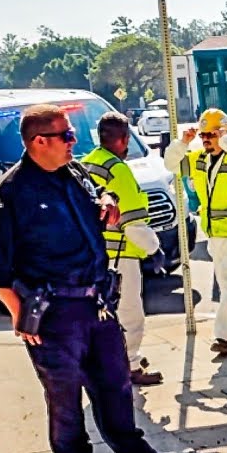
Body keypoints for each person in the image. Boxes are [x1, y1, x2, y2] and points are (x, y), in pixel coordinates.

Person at [0, 104, 177, 453]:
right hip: (52, 313)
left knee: (115, 382)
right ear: (39, 141)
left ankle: (131, 452)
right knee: (64, 395)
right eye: (66, 136)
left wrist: (105, 202)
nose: (74, 143)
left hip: (96, 301)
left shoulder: (73, 172)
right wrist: (19, 314)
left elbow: (97, 193)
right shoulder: (9, 194)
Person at [163, 107, 227, 357]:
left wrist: (226, 137)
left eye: (211, 134)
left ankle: (222, 336)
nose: (206, 139)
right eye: (204, 134)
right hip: (215, 234)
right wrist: (183, 142)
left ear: (223, 132)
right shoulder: (198, 159)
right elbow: (170, 163)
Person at [80, 112, 164, 386]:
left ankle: (113, 361)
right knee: (130, 312)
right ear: (124, 139)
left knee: (101, 314)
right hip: (121, 256)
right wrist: (154, 250)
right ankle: (131, 364)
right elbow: (133, 224)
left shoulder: (87, 163)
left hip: (92, 255)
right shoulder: (118, 170)